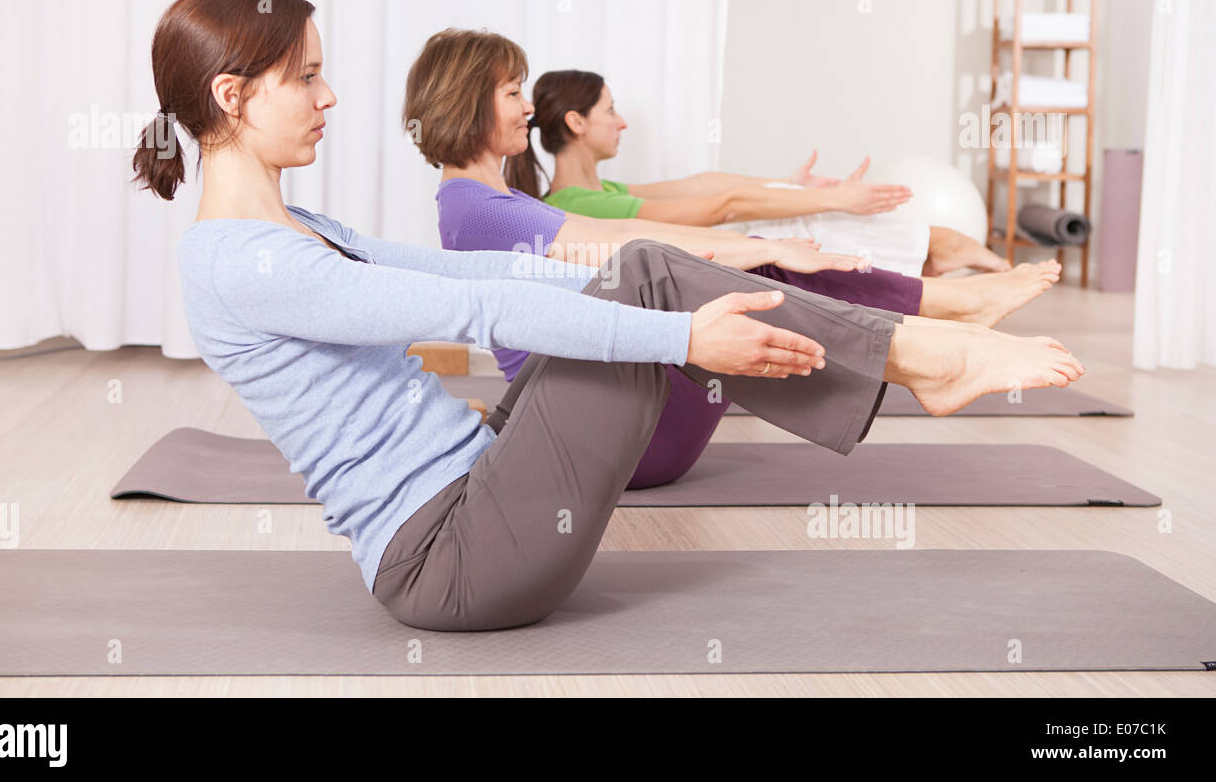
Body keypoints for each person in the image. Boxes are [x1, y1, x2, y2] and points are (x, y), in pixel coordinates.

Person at [136, 0, 1084, 632]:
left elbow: (479, 279)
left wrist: (636, 299)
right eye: (306, 76)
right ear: (232, 95)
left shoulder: (298, 226)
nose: (329, 95)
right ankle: (925, 356)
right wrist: (681, 333)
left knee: (642, 267)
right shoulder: (242, 262)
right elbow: (474, 318)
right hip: (455, 559)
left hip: (482, 490)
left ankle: (919, 352)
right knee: (654, 284)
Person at [417, 29, 1061, 488]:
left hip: (623, 431)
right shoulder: (478, 206)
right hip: (612, 441)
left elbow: (654, 217)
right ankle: (940, 332)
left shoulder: (489, 200)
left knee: (746, 270)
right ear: (470, 101)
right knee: (739, 275)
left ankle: (937, 333)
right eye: (512, 93)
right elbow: (625, 244)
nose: (528, 108)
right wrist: (767, 249)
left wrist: (764, 242)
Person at [528, 69, 1014, 278]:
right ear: (576, 123)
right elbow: (723, 208)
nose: (622, 122)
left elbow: (702, 185)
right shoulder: (580, 204)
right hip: (721, 263)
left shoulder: (597, 191)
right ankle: (943, 254)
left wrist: (786, 184)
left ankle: (939, 261)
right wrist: (834, 198)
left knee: (793, 210)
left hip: (727, 250)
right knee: (802, 220)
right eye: (610, 110)